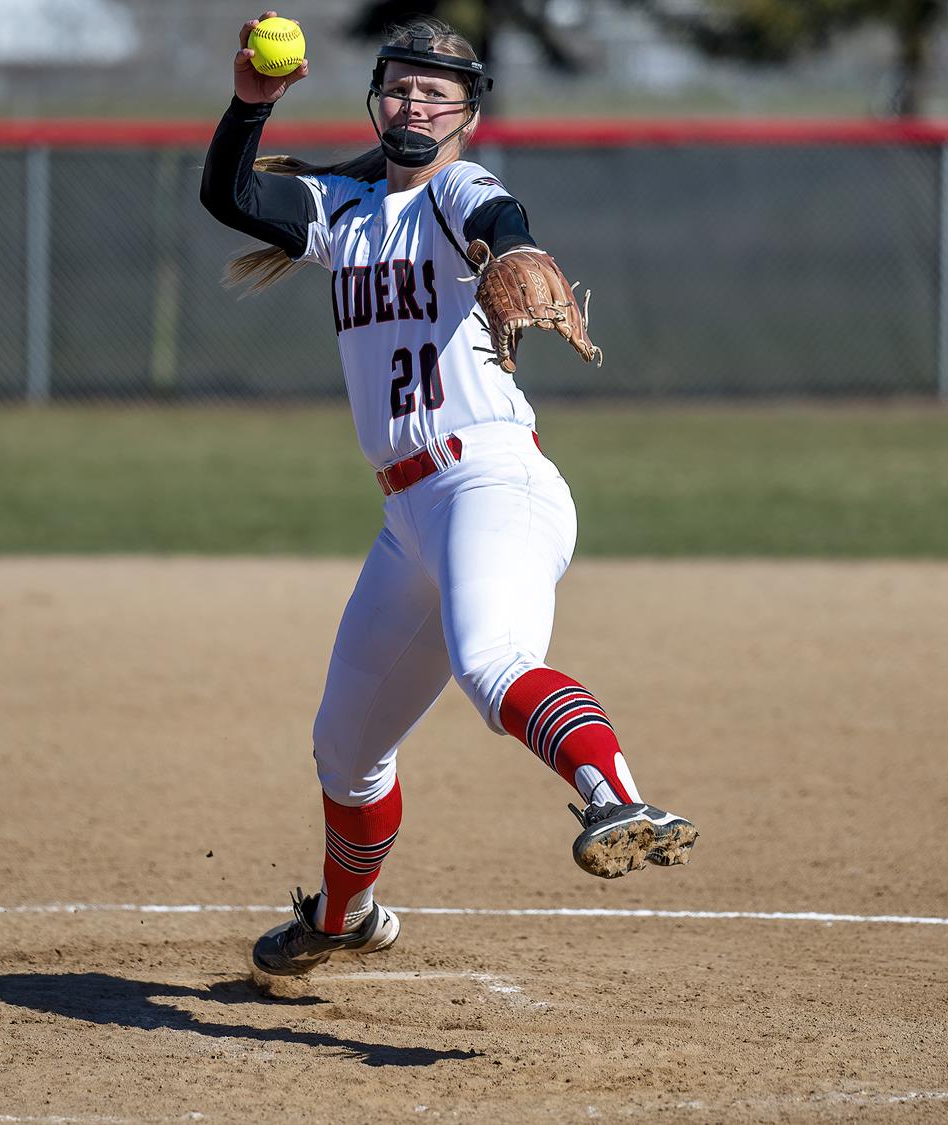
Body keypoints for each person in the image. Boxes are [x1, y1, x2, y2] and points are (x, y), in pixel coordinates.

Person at [200, 12, 698, 979]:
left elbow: (496, 218)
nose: (415, 102)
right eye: (399, 85)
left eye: (438, 91)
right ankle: (345, 917)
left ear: (469, 113)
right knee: (344, 749)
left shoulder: (457, 188)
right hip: (408, 519)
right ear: (375, 99)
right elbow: (231, 196)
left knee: (494, 664)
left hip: (492, 481)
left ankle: (618, 798)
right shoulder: (342, 207)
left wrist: (512, 249)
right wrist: (249, 104)